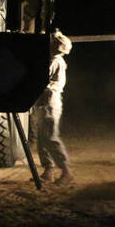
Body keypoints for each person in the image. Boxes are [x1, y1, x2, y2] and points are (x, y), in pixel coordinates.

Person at [31, 30, 74, 185]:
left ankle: (66, 170)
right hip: (46, 101)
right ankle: (48, 170)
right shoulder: (54, 59)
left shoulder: (54, 61)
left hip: (49, 101)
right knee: (43, 139)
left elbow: (45, 83)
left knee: (50, 137)